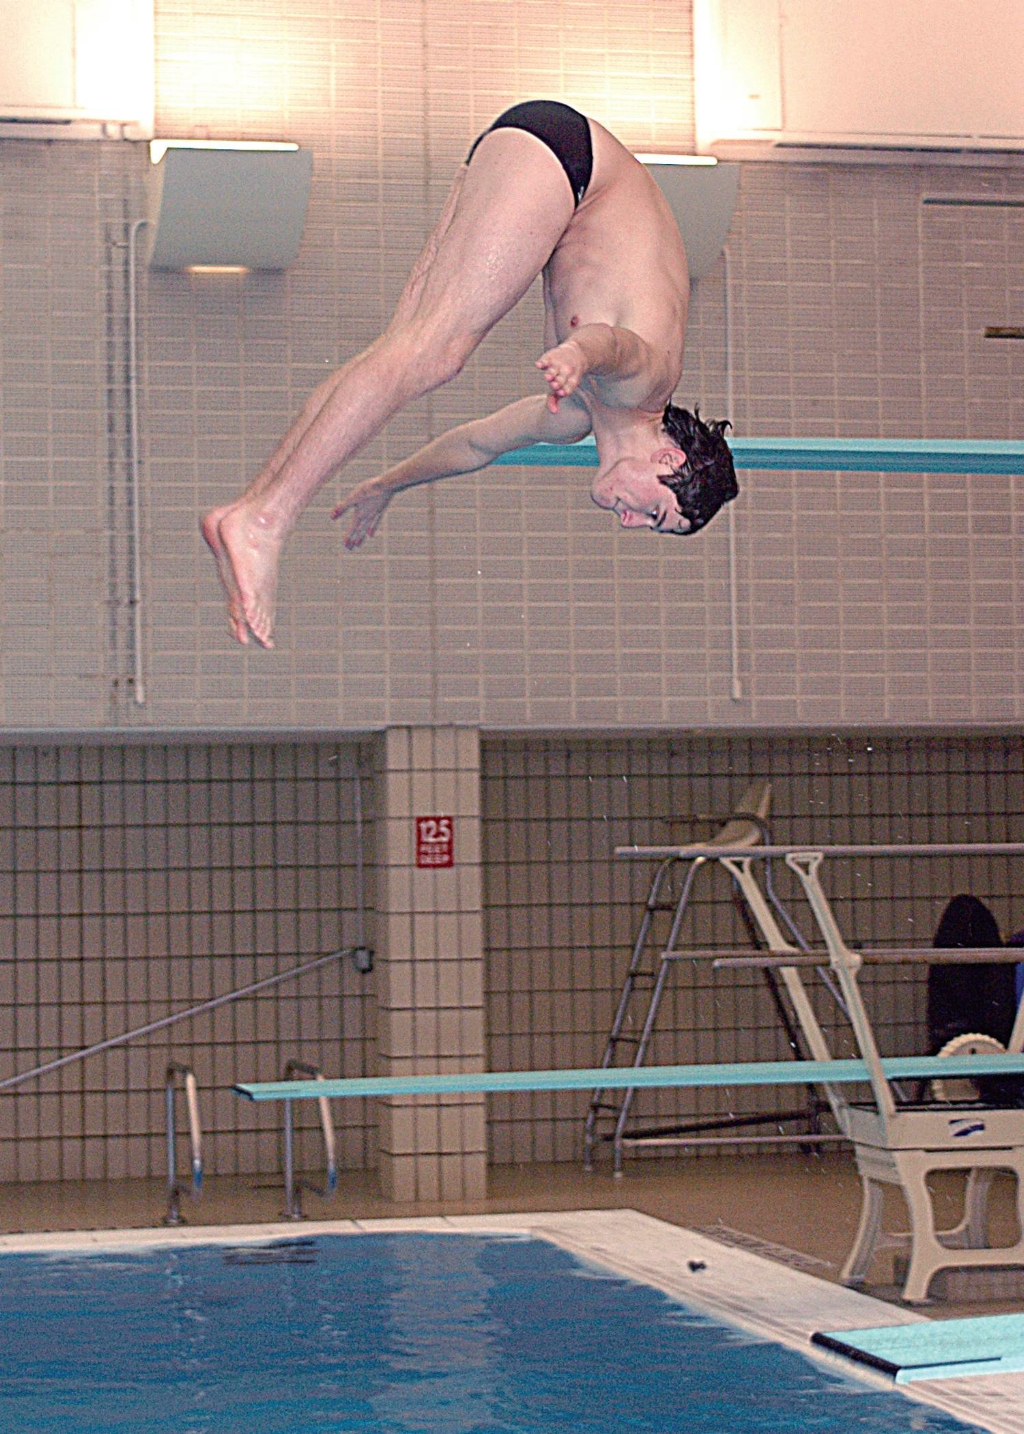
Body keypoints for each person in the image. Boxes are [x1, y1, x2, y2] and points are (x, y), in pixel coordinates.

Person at [203, 100, 738, 649]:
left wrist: (390, 485)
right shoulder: (644, 388)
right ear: (669, 459)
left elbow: (474, 445)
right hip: (571, 164)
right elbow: (619, 347)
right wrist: (579, 351)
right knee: (433, 354)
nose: (632, 523)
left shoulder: (579, 416)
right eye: (654, 512)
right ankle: (265, 523)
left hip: (548, 156)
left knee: (401, 350)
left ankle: (247, 510)